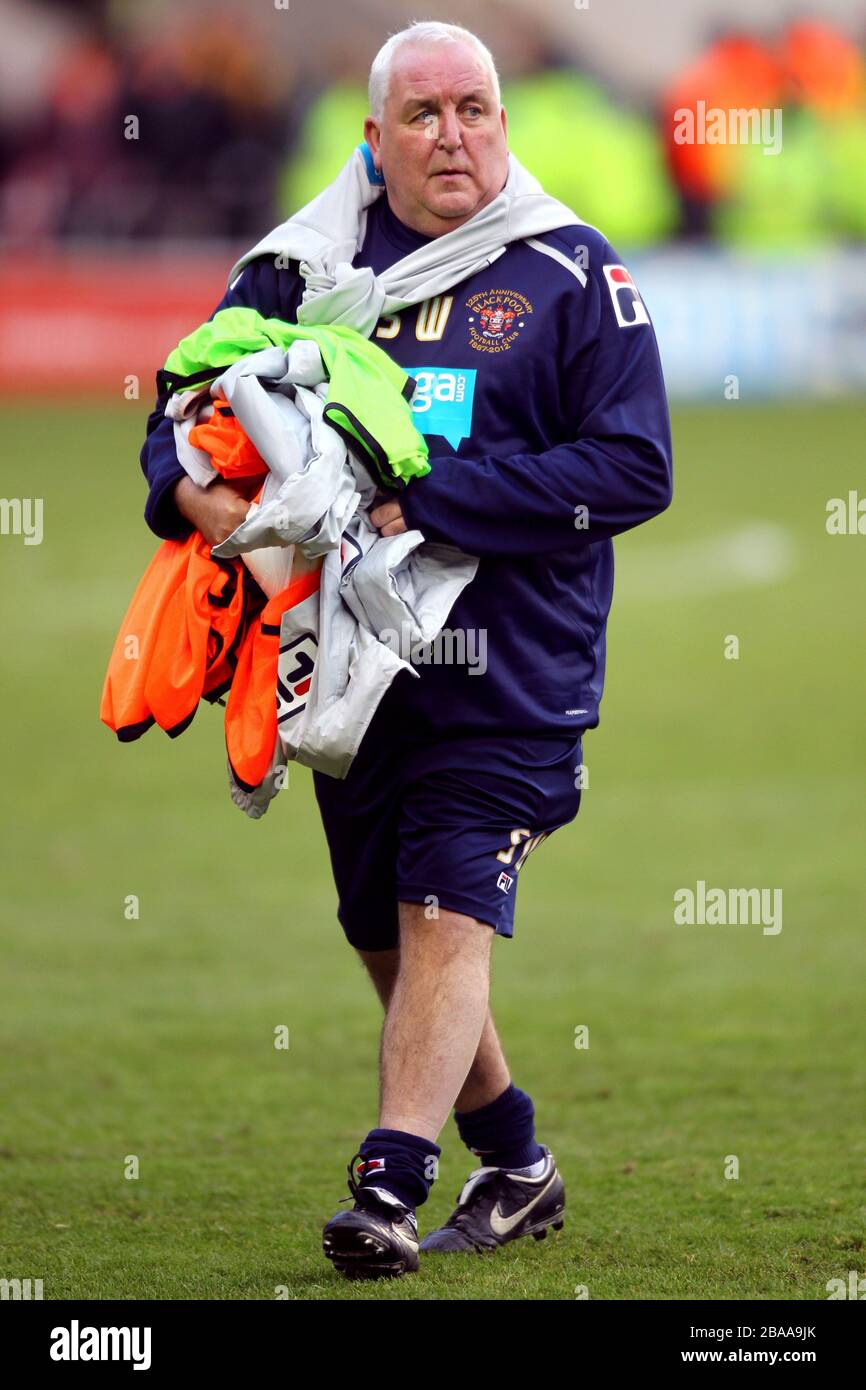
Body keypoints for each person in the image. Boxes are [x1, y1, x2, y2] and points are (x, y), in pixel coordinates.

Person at [139, 20, 673, 1281]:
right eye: (423, 114)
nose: (452, 134)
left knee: (447, 906)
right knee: (379, 920)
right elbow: (177, 407)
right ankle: (517, 1160)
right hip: (338, 660)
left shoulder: (568, 273)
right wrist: (197, 502)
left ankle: (386, 1184)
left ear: (503, 121)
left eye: (474, 109)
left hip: (510, 664)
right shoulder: (302, 268)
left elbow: (633, 465)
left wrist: (423, 498)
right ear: (370, 140)